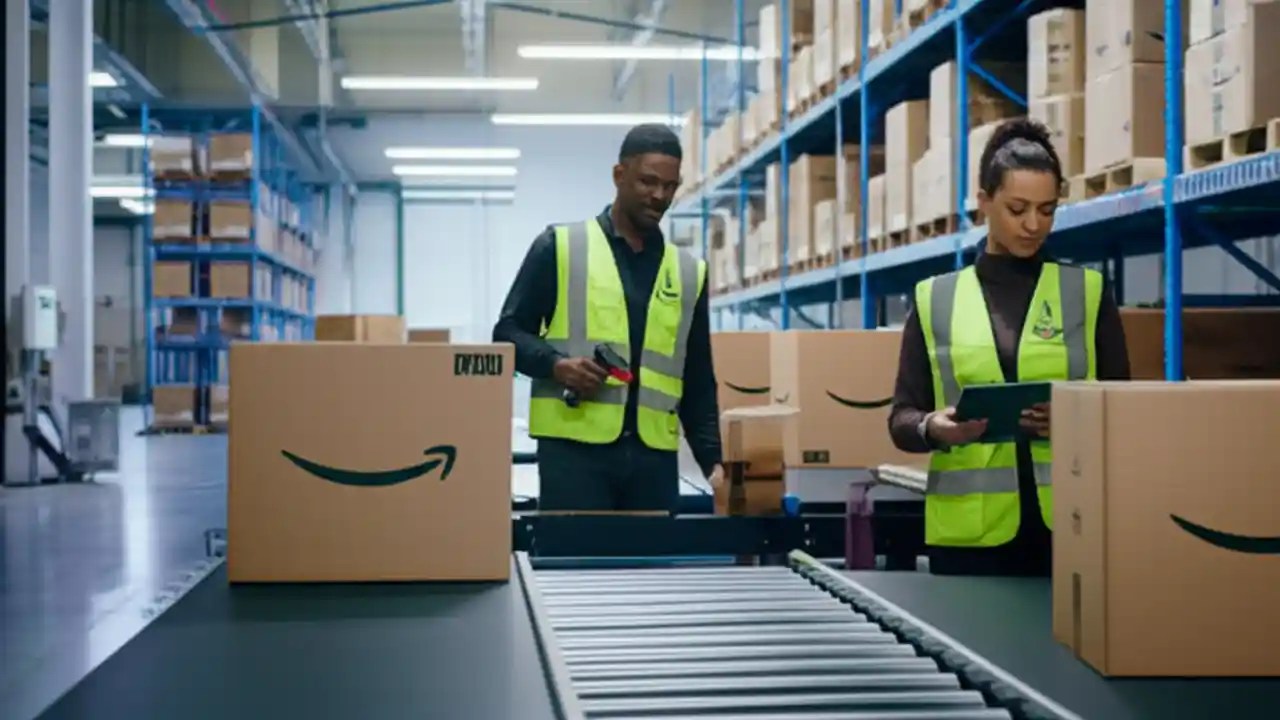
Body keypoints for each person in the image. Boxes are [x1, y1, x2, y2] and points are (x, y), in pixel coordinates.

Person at [887, 118, 1131, 577]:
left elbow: (1126, 408)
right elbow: (901, 418)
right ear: (984, 202)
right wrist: (933, 427)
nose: (1033, 225)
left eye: (1047, 210)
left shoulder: (1088, 292)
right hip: (968, 541)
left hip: (1072, 530)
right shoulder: (935, 298)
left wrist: (1076, 419)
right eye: (1017, 209)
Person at [493, 123, 724, 512]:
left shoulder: (688, 273)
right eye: (648, 182)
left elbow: (698, 378)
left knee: (654, 556)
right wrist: (556, 365)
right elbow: (507, 334)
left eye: (670, 186)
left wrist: (714, 463)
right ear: (619, 175)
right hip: (574, 457)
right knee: (576, 554)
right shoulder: (560, 247)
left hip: (652, 464)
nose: (659, 195)